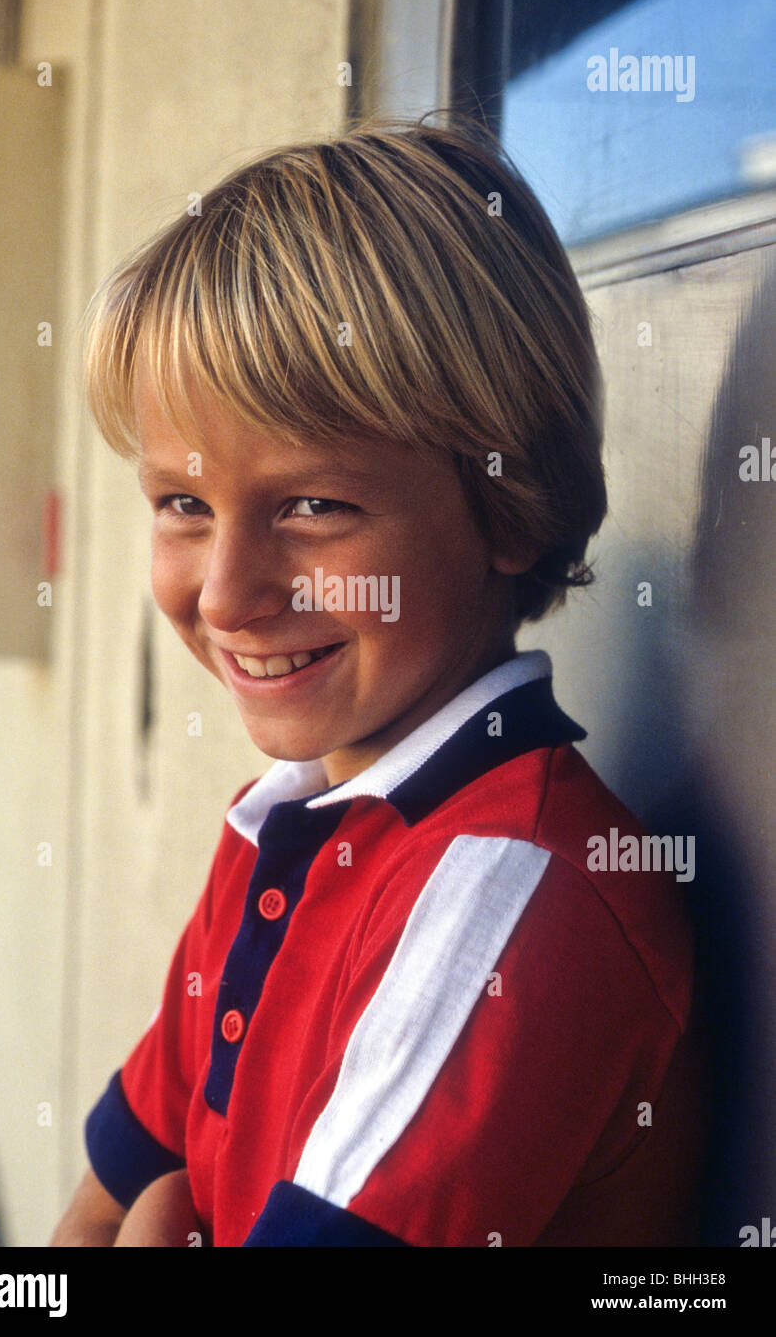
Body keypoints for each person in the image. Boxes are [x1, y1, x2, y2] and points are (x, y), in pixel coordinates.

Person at [50, 113, 707, 1247]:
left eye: (312, 506)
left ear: (507, 504)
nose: (222, 595)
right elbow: (106, 1202)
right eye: (184, 506)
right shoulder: (285, 822)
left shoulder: (503, 904)